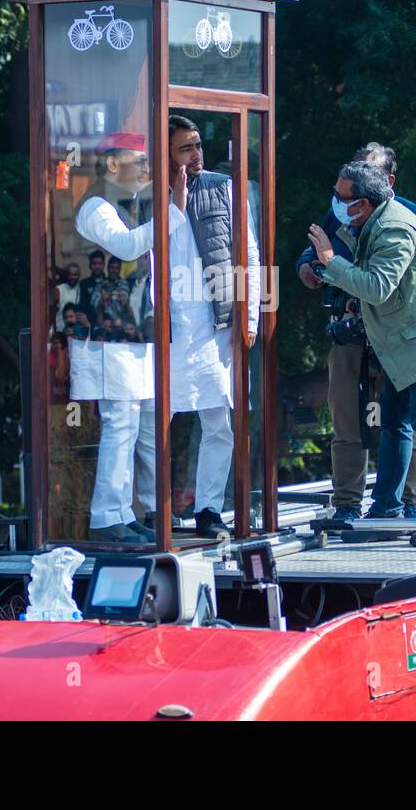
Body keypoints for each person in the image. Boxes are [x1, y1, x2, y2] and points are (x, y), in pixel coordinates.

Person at [308, 160, 416, 544]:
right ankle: (386, 510)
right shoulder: (371, 220)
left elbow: (376, 287)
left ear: (364, 203)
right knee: (394, 422)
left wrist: (329, 261)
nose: (335, 202)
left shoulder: (393, 229)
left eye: (342, 197)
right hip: (409, 341)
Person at [69, 131, 190, 543]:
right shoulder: (96, 206)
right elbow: (125, 248)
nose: (145, 168)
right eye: (138, 160)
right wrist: (174, 210)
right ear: (112, 165)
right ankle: (106, 518)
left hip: (131, 333)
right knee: (121, 423)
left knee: (139, 424)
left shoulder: (125, 204)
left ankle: (126, 511)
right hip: (107, 337)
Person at [162, 115, 260, 537]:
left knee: (218, 422)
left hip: (214, 322)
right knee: (152, 421)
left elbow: (250, 255)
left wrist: (249, 316)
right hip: (163, 328)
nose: (197, 154)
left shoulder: (222, 186)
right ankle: (153, 512)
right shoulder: (149, 193)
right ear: (166, 153)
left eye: (198, 145)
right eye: (186, 148)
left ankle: (208, 510)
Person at [54, 263, 83, 331]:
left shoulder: (82, 289)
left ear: (79, 275)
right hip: (60, 328)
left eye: (75, 275)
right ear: (67, 275)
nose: (72, 277)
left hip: (76, 330)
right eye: (70, 274)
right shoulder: (59, 289)